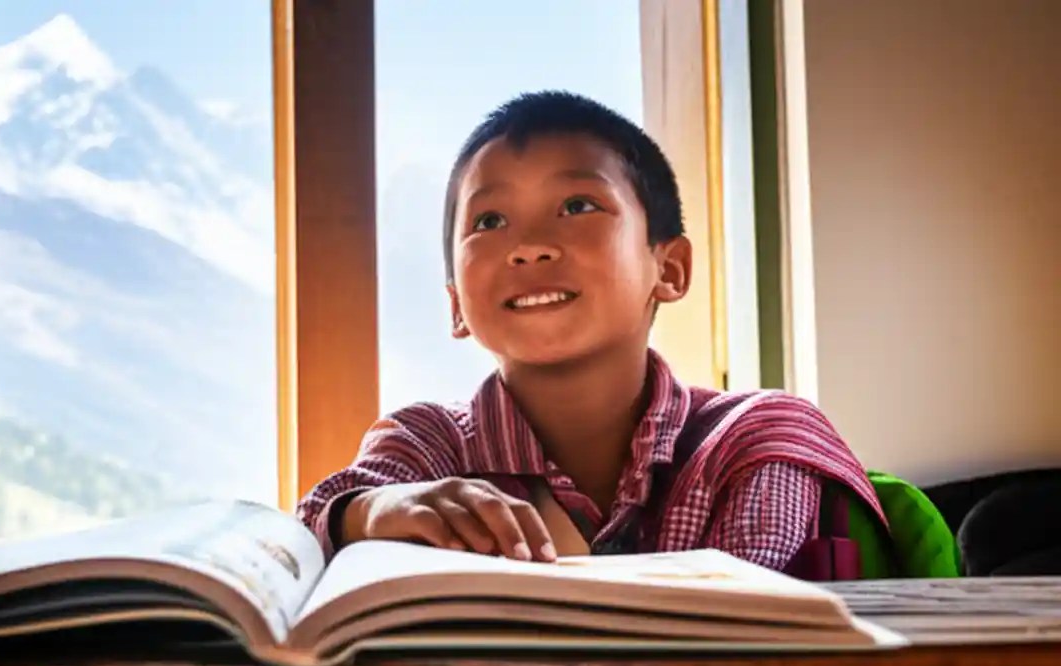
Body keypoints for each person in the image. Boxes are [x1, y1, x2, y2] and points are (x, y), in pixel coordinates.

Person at [295, 90, 886, 575]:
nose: (528, 247)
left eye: (577, 206)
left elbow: (746, 621)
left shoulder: (756, 436)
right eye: (489, 221)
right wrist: (373, 510)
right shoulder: (428, 443)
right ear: (455, 304)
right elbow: (311, 525)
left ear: (670, 268)